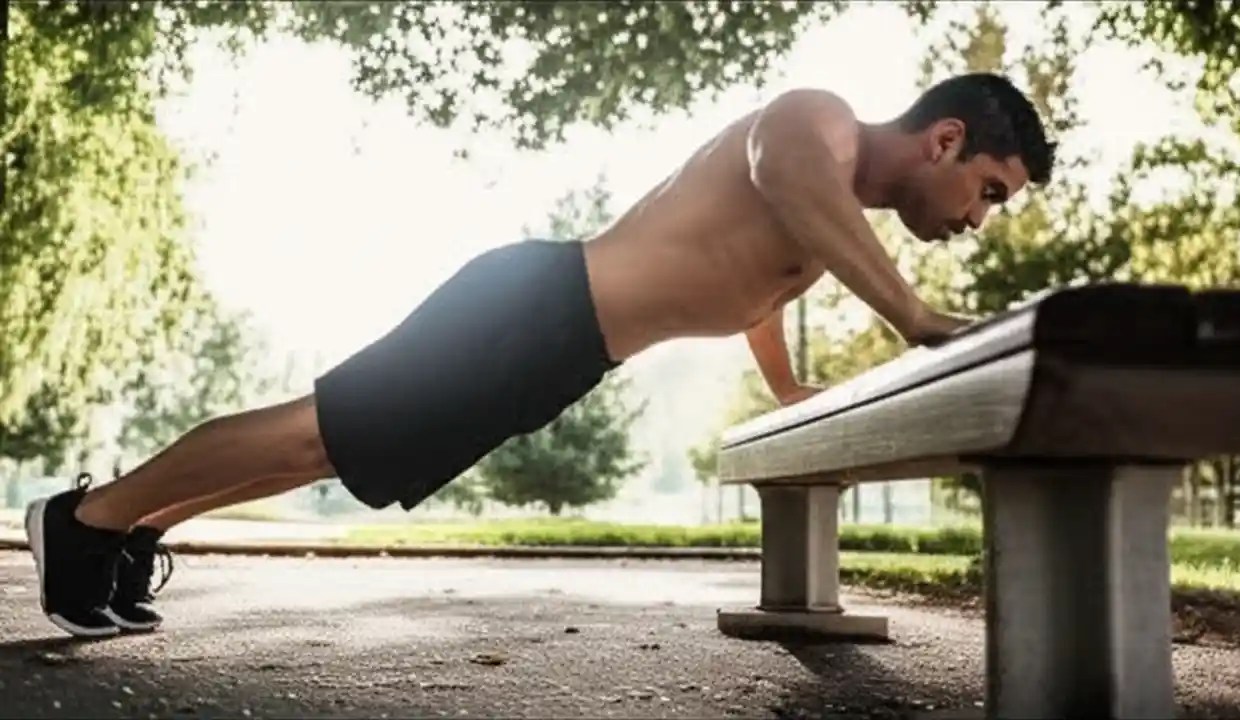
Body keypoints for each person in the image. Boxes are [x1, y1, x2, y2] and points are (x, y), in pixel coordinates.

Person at [25, 72, 1055, 638]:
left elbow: (763, 285)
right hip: (534, 305)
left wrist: (785, 385)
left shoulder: (835, 216)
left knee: (343, 453)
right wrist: (916, 322)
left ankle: (124, 533)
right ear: (944, 141)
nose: (978, 218)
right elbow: (786, 180)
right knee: (314, 430)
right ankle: (84, 522)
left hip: (560, 349)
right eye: (990, 194)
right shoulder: (817, 122)